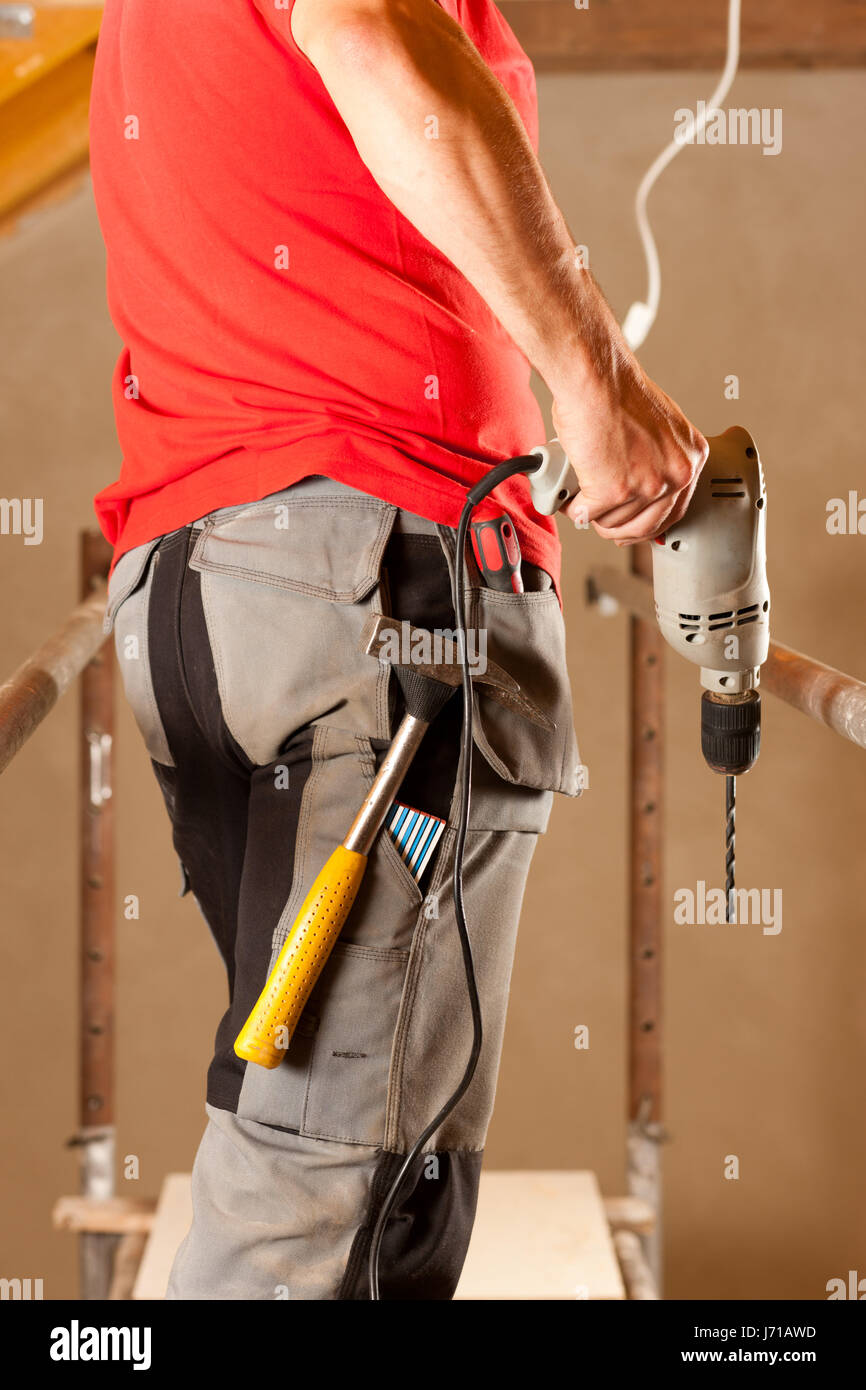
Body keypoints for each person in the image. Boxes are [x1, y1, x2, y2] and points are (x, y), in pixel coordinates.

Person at [89, 0, 706, 1300]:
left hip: (231, 589)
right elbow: (375, 39)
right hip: (373, 589)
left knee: (363, 1165)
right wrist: (595, 385)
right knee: (329, 1182)